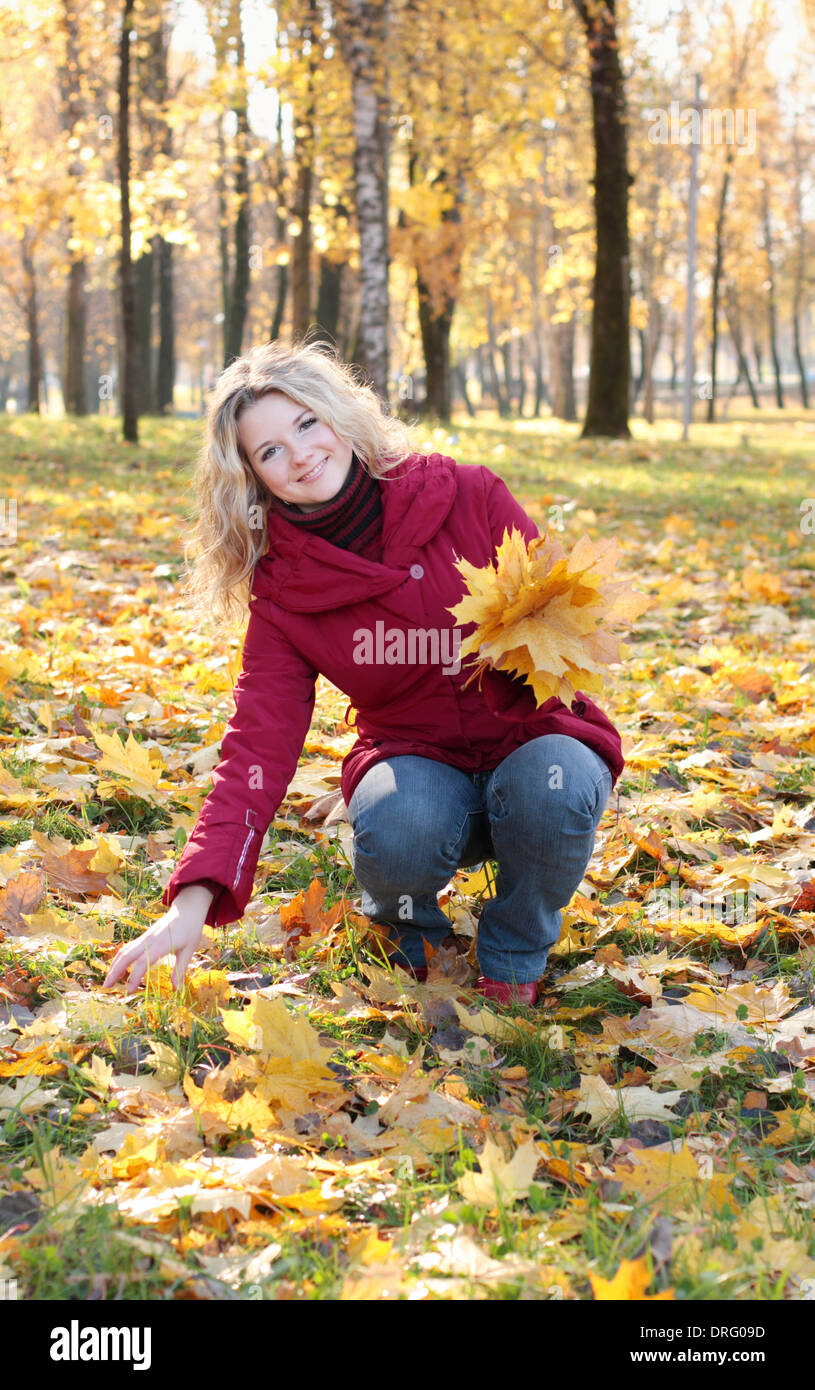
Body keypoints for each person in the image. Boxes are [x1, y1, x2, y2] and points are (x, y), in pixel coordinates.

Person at [104, 336, 624, 1006]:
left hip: (534, 740)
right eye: (269, 451)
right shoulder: (283, 592)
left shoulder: (466, 493)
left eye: (305, 424)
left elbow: (564, 621)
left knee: (553, 787)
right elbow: (256, 748)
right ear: (253, 477)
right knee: (400, 819)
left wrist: (498, 668)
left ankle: (515, 953)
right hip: (415, 760)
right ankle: (412, 938)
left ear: (338, 416)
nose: (299, 455)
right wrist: (193, 899)